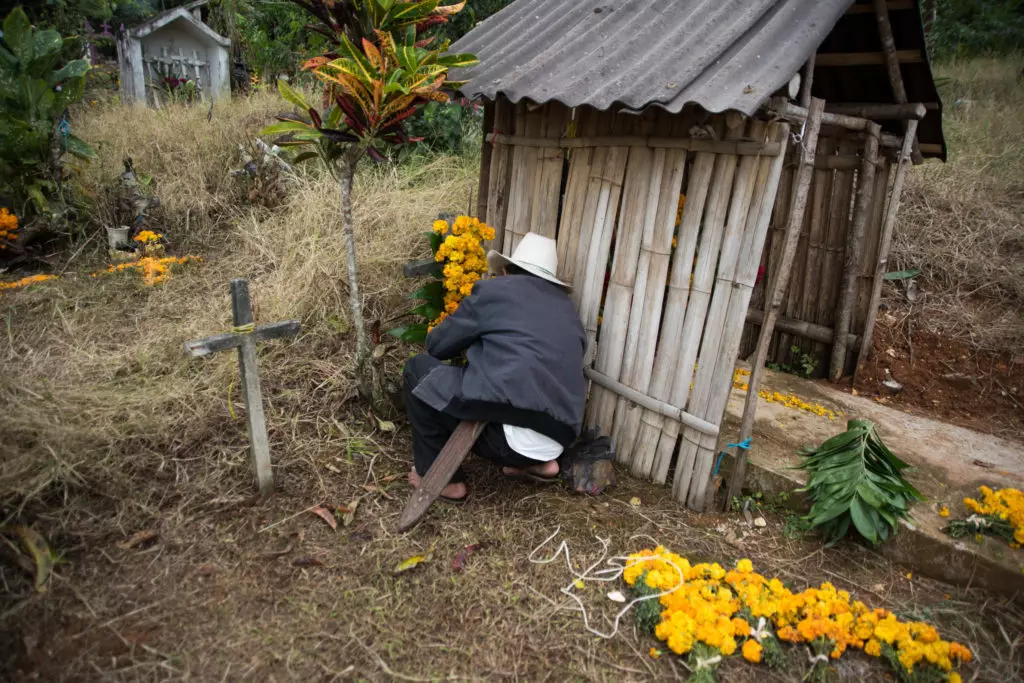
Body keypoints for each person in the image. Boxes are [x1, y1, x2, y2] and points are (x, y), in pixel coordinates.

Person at [404, 232, 587, 502]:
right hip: (557, 439)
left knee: (417, 370)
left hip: (506, 435)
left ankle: (444, 481)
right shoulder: (568, 311)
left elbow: (438, 345)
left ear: (504, 270)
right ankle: (541, 464)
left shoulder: (494, 291)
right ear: (551, 280)